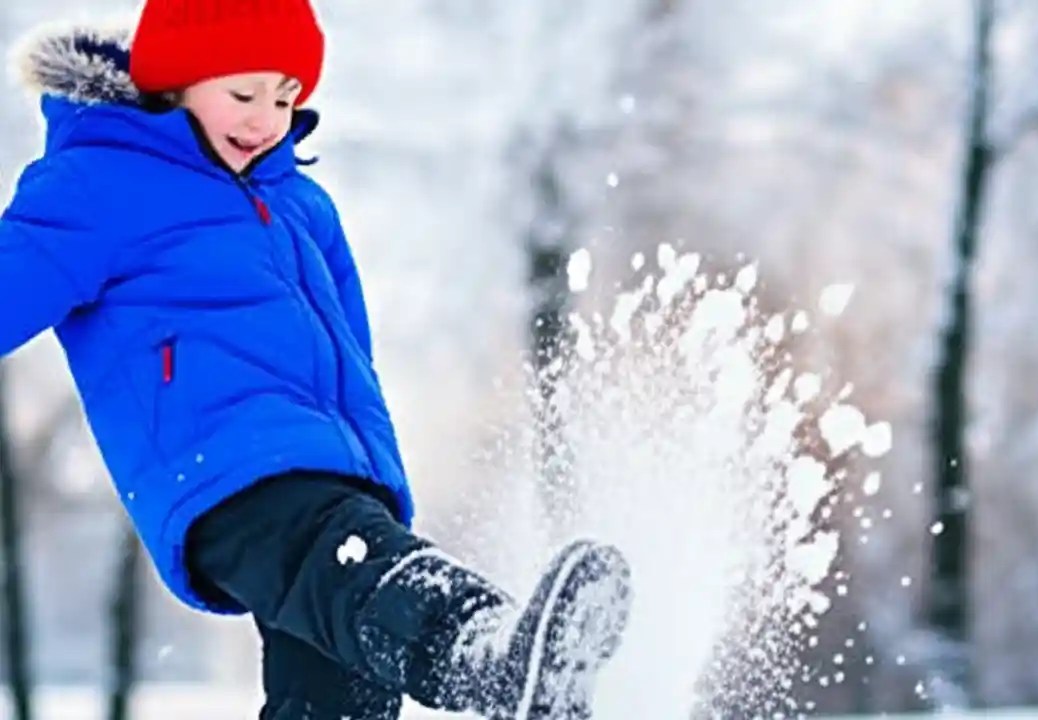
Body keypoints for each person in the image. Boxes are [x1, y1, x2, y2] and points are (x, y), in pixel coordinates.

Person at [2, 1, 632, 718]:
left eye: (285, 96)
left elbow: (350, 349)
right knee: (346, 566)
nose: (266, 118)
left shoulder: (302, 203)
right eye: (242, 94)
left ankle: (490, 667)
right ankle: (483, 654)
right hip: (223, 474)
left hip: (335, 472)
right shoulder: (98, 184)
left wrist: (372, 466)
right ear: (176, 83)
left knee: (340, 686)